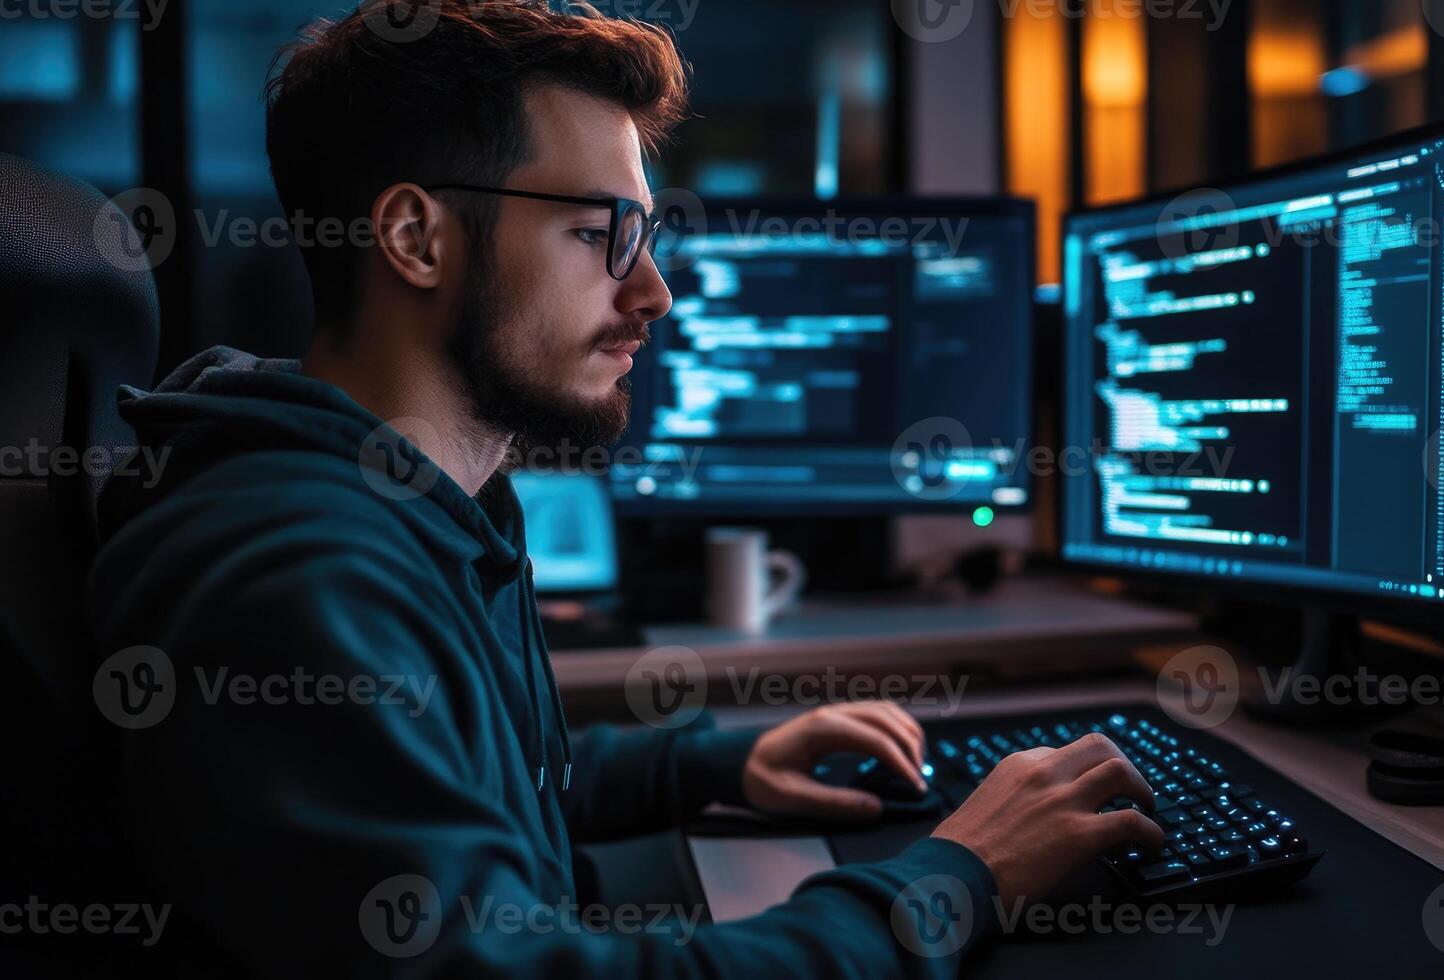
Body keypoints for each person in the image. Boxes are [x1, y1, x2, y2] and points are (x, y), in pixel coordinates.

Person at [87, 2, 1165, 974]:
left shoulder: (412, 509)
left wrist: (707, 759)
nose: (652, 291)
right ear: (416, 237)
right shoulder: (297, 572)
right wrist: (956, 878)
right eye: (602, 233)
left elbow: (474, 779)